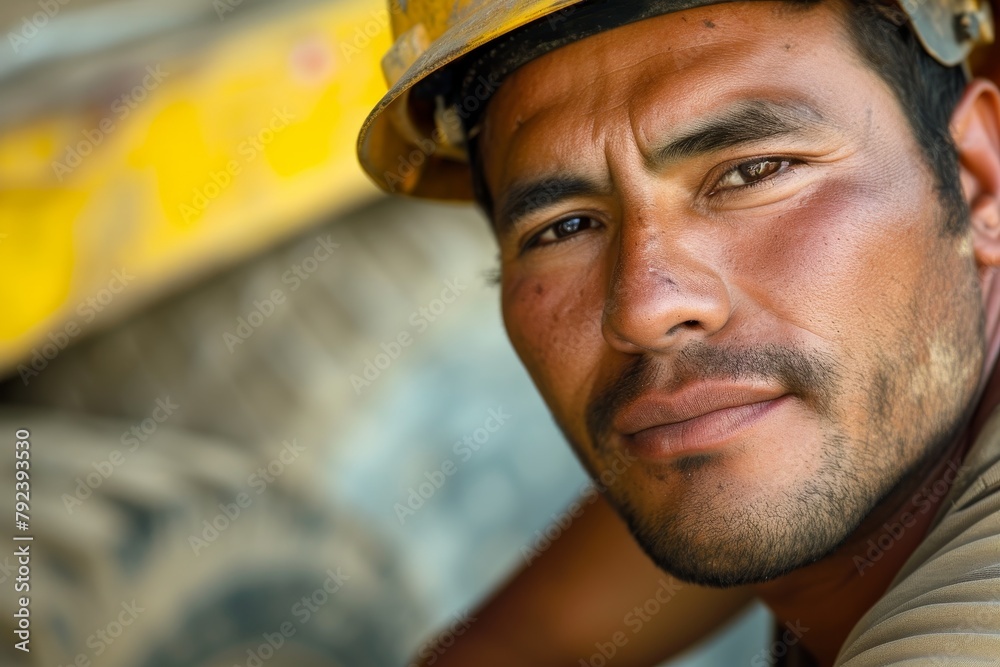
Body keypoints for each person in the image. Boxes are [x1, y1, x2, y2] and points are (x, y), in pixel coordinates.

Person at [357, 0, 1000, 664]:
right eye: (565, 227)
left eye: (753, 172)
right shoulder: (783, 433)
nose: (644, 309)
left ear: (979, 180)